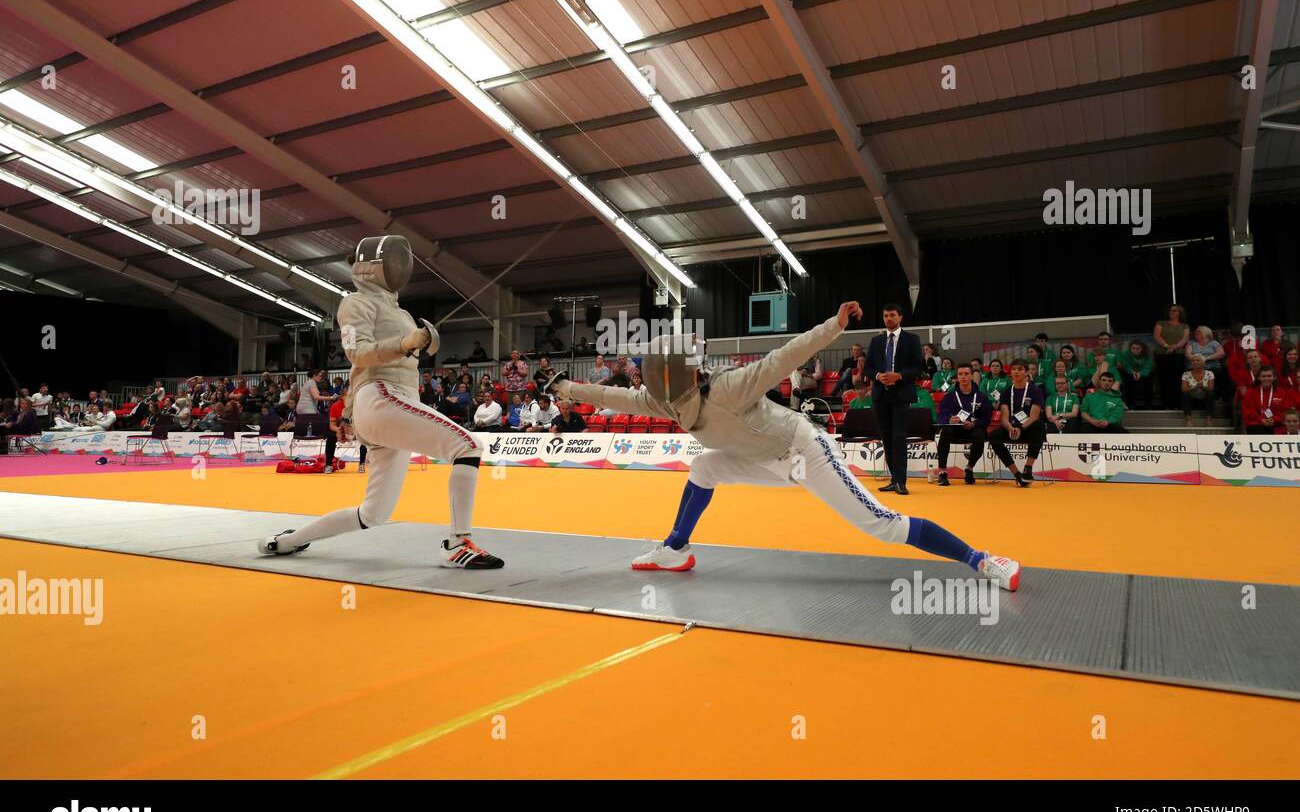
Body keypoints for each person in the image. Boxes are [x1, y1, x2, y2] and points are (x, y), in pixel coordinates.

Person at [545, 302, 1021, 590]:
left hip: (805, 453)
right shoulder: (666, 402)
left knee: (883, 525)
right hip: (765, 461)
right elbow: (610, 394)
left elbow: (786, 356)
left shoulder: (730, 386)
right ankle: (675, 548)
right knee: (704, 467)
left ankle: (982, 560)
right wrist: (565, 388)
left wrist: (833, 327)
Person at [258, 235, 503, 570]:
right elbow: (357, 354)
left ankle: (287, 540)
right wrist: (406, 342)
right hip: (381, 398)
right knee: (468, 445)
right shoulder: (355, 302)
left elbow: (363, 366)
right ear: (374, 266)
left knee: (373, 513)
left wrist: (346, 414)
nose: (401, 268)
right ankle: (458, 543)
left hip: (391, 404)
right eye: (395, 262)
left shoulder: (399, 310)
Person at [863, 303, 925, 495]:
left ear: (900, 317)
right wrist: (877, 376)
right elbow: (867, 368)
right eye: (885, 316)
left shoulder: (912, 339)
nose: (888, 318)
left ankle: (901, 481)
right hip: (880, 395)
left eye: (891, 315)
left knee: (899, 438)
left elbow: (918, 367)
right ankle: (893, 479)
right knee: (887, 438)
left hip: (901, 394)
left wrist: (899, 376)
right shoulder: (876, 341)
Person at [986, 358, 1045, 487]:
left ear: (1026, 372)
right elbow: (1004, 417)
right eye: (1014, 369)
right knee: (993, 437)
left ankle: (1028, 469)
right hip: (1012, 427)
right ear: (1010, 373)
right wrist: (1010, 428)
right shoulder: (1007, 392)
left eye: (1020, 369)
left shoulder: (1035, 390)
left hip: (1028, 427)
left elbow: (1034, 416)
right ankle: (1017, 474)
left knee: (1039, 426)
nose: (1016, 372)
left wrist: (1021, 429)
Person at [934, 364, 991, 486]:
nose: (963, 377)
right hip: (955, 430)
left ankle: (969, 468)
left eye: (966, 374)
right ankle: (942, 472)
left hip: (973, 429)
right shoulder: (949, 397)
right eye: (960, 374)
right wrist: (949, 420)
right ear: (957, 377)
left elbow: (987, 418)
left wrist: (975, 423)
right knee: (945, 431)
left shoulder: (981, 397)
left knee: (980, 435)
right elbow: (941, 415)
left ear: (971, 376)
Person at [1153, 304, 1190, 409]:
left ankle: (1177, 404)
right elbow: (1157, 336)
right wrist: (1167, 346)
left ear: (1179, 313)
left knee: (1177, 380)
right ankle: (1166, 404)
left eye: (1174, 311)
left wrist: (1175, 347)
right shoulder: (1161, 323)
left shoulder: (1184, 326)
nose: (1171, 312)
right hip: (1162, 355)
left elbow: (1185, 338)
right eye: (1170, 310)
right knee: (1164, 379)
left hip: (1178, 355)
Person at [1242, 366, 1289, 435]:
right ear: (1259, 378)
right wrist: (1261, 420)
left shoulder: (1281, 392)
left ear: (1274, 377)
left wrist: (1274, 419)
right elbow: (1248, 411)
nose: (1266, 378)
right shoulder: (1250, 392)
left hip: (1276, 423)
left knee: (1282, 430)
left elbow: (1285, 411)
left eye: (1269, 376)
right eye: (1263, 376)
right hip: (1256, 424)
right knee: (1256, 429)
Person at [1180, 353, 1215, 427]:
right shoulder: (1186, 374)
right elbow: (1184, 389)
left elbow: (1211, 388)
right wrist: (1195, 387)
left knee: (1211, 394)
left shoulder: (1210, 373)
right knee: (1184, 395)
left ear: (1203, 362)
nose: (1195, 362)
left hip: (1204, 397)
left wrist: (1202, 387)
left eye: (1197, 360)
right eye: (1193, 361)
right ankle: (1188, 420)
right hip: (1191, 397)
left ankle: (1209, 420)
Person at [1118, 340, 1154, 409]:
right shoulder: (1126, 354)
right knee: (1128, 381)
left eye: (1137, 348)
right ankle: (1130, 404)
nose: (1135, 350)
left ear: (1142, 349)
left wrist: (1140, 374)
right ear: (1130, 348)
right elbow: (1126, 366)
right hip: (1131, 373)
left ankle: (1148, 404)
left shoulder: (1147, 354)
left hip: (1143, 373)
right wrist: (1133, 373)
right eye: (1133, 348)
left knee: (1149, 381)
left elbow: (1148, 367)